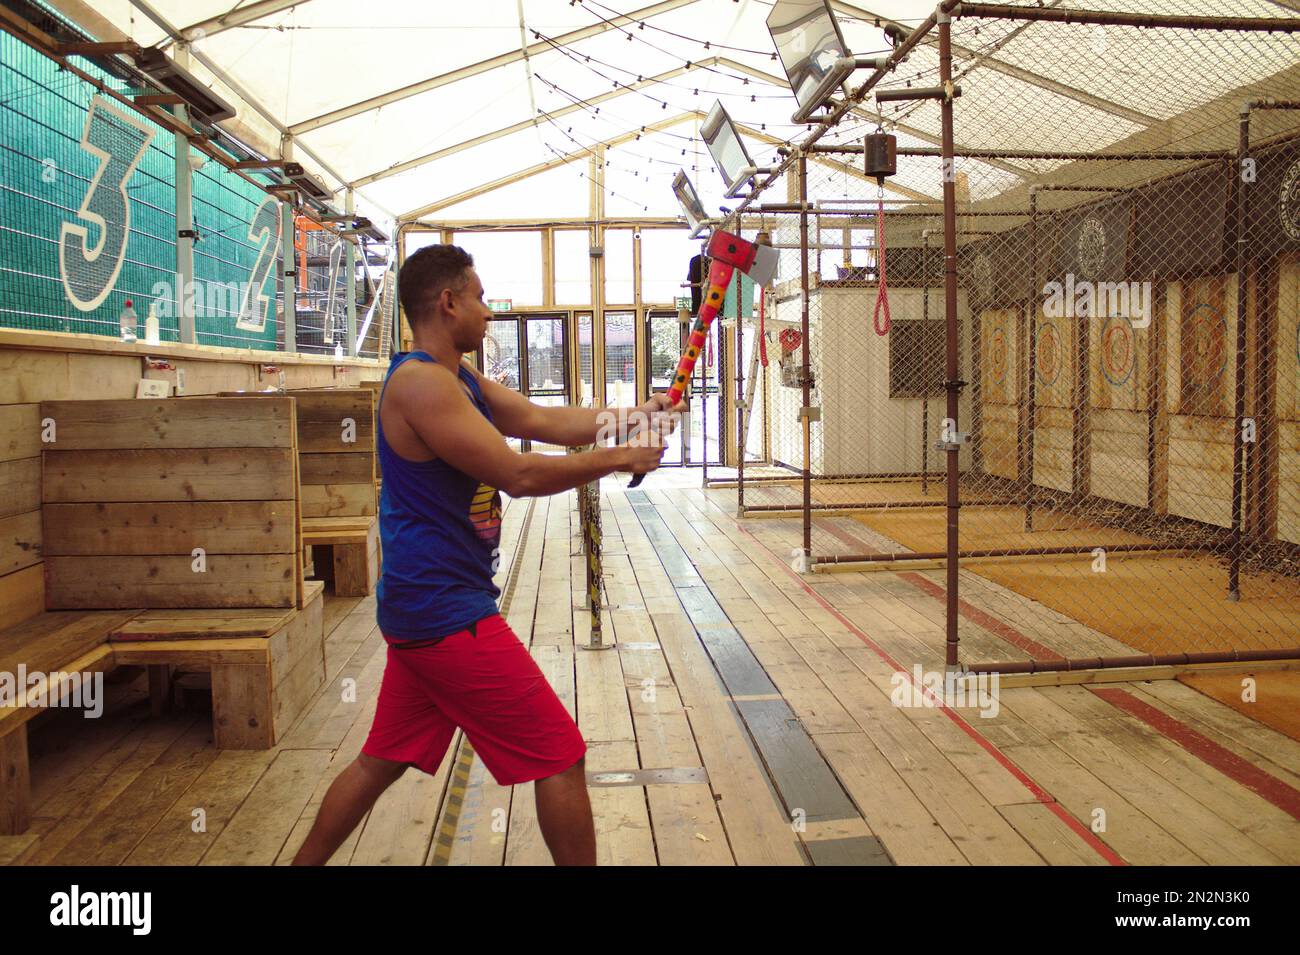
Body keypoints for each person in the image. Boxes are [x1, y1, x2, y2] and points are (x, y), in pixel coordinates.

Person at [292, 244, 681, 867]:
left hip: (428, 608)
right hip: (444, 613)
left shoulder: (459, 380)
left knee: (381, 760)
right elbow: (519, 472)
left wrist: (635, 418)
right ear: (448, 303)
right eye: (477, 298)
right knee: (561, 754)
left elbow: (543, 419)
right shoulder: (421, 384)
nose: (487, 313)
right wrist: (620, 459)